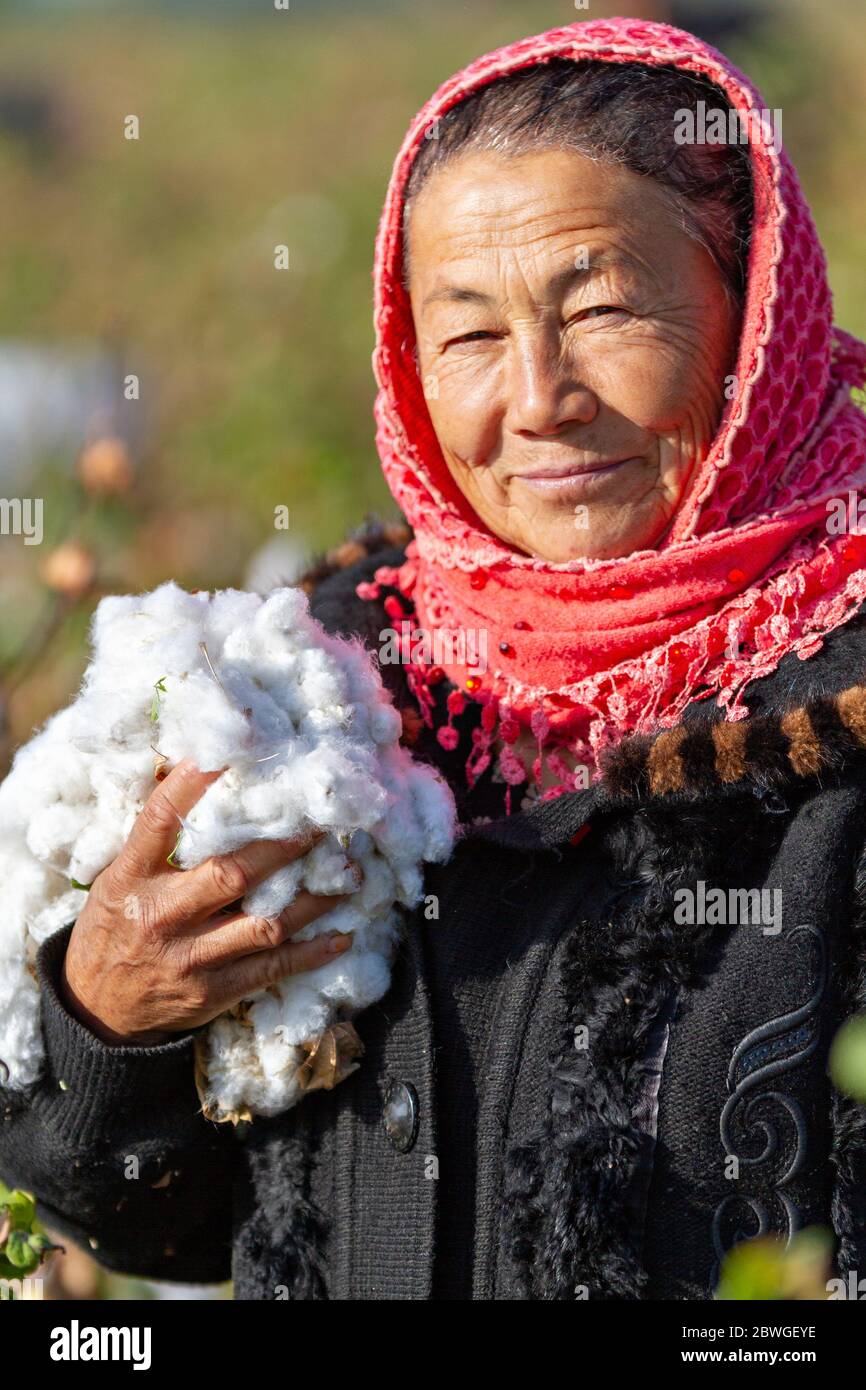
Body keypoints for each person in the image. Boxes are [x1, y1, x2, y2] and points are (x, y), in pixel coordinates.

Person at [4, 16, 866, 1301]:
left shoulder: (830, 712)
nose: (537, 398)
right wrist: (117, 1028)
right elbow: (166, 1238)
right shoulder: (321, 696)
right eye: (466, 333)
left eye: (605, 307)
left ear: (754, 316)